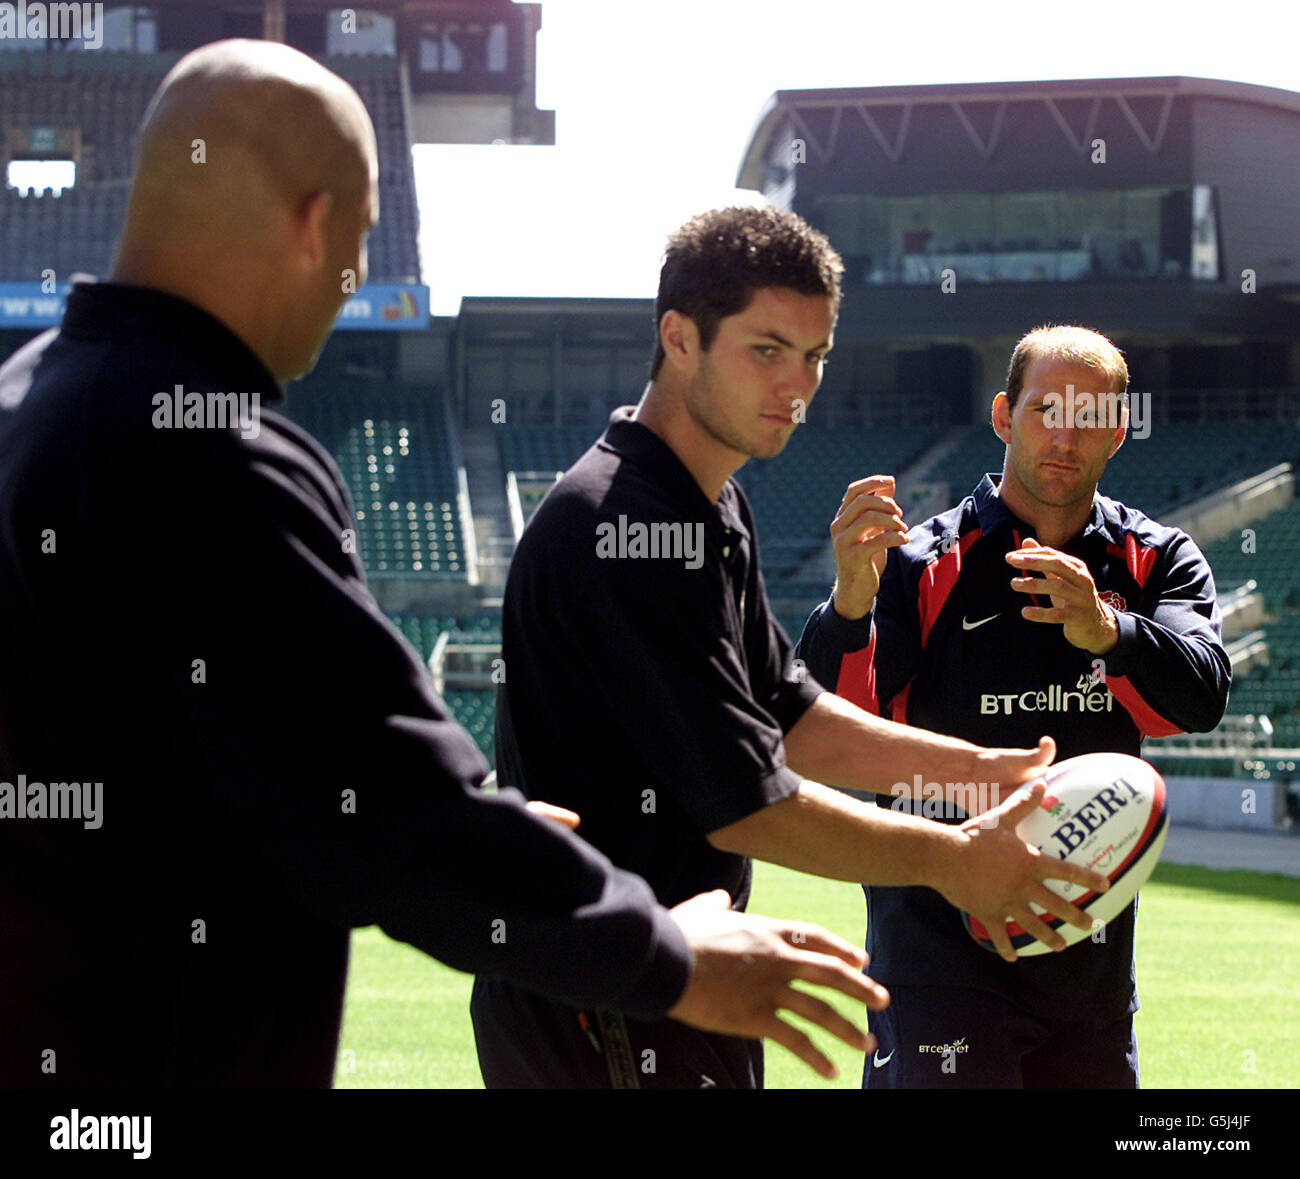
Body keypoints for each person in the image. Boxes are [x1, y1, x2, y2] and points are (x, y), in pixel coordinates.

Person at [0, 39, 891, 1089]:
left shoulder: (30, 403)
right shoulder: (207, 449)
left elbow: (245, 775)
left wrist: (466, 818)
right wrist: (672, 957)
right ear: (317, 221)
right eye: (365, 236)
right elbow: (383, 817)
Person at [472, 208, 1111, 1089]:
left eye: (814, 357)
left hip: (686, 973)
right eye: (766, 350)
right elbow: (747, 802)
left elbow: (788, 710)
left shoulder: (711, 507)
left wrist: (987, 772)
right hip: (601, 995)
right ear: (679, 337)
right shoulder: (622, 521)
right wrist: (952, 859)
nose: (797, 385)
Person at [796, 325, 1231, 1088]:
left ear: (1118, 435)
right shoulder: (916, 561)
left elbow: (1199, 697)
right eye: (1043, 409)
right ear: (1003, 416)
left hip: (1086, 965)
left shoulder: (1157, 557)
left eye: (1088, 415)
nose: (1064, 434)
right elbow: (830, 724)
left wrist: (1108, 630)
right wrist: (849, 603)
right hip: (937, 958)